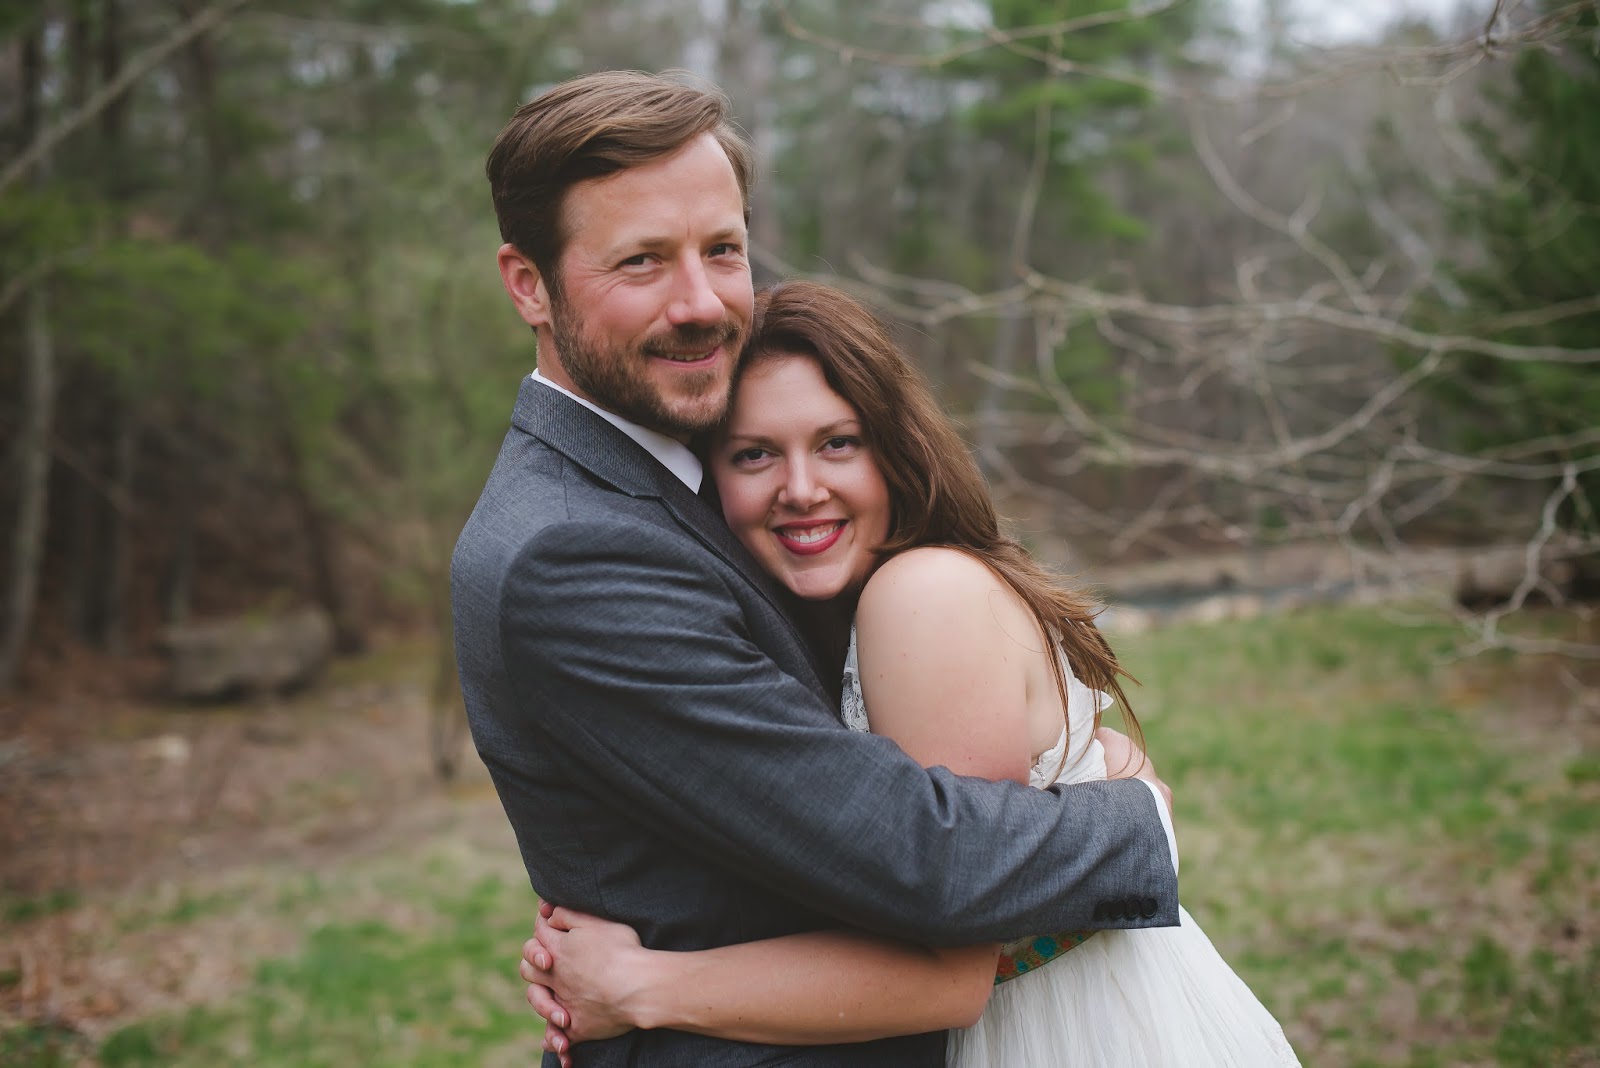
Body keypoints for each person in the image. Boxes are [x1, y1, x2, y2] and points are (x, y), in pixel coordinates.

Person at [452, 70, 1180, 1068]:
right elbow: (916, 858)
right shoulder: (571, 551)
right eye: (641, 263)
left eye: (722, 249)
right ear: (527, 282)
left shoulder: (681, 463)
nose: (701, 302)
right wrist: (1136, 818)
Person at [519, 281, 1301, 1067]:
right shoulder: (841, 606)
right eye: (754, 454)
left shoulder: (917, 596)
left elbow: (950, 978)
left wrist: (641, 986)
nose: (800, 488)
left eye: (836, 443)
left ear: (893, 450)